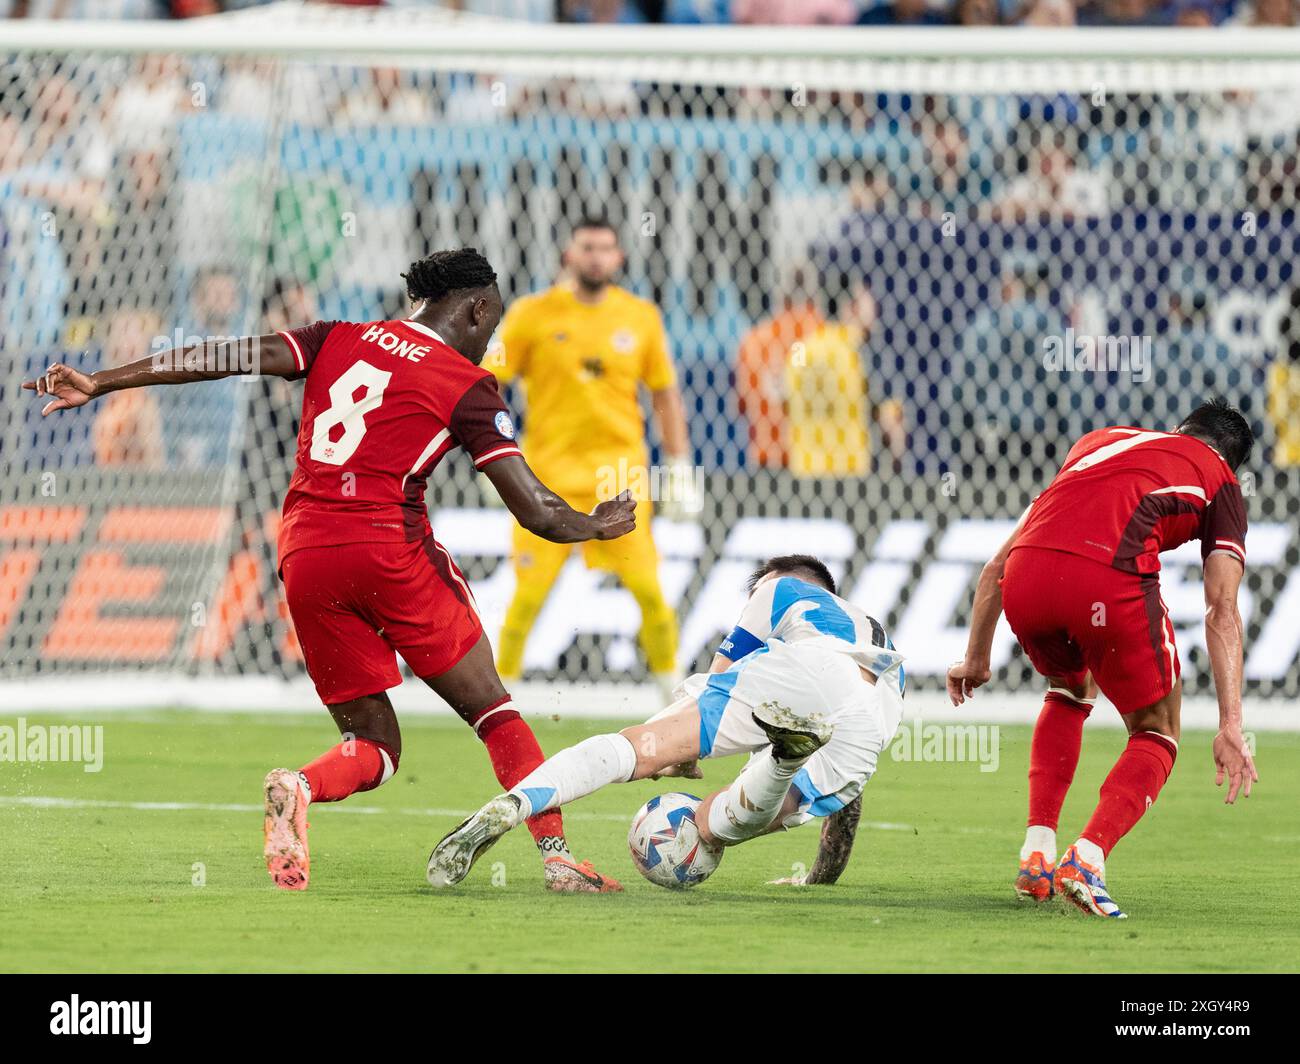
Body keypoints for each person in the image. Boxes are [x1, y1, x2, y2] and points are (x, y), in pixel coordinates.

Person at [24, 247, 637, 894]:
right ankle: (557, 858)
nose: (490, 341)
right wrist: (593, 524)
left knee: (374, 744)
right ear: (478, 308)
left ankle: (302, 785)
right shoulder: (467, 386)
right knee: (492, 712)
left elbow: (220, 356)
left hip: (306, 551)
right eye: (492, 324)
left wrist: (104, 380)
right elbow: (536, 512)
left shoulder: (335, 338)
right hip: (388, 549)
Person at [946, 400, 1259, 918]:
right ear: (1232, 459)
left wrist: (976, 656)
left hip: (1027, 578)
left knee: (1069, 687)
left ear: (1181, 429)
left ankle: (1038, 852)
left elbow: (995, 564)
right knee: (1158, 728)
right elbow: (1221, 610)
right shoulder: (1221, 479)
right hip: (1106, 579)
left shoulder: (1098, 441)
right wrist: (1231, 723)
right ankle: (1086, 860)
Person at [426, 554, 906, 890]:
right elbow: (848, 808)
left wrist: (673, 749)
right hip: (873, 715)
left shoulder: (781, 587)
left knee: (633, 747)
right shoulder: (873, 635)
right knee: (714, 827)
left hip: (801, 669)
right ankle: (784, 759)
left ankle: (512, 804)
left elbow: (716, 682)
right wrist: (817, 879)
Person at [490, 216, 693, 701]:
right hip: (547, 478)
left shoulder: (640, 316)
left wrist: (680, 467)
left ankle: (677, 699)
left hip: (618, 478)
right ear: (569, 254)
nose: (596, 256)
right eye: (587, 247)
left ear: (619, 257)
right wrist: (493, 452)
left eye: (605, 248)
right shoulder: (530, 314)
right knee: (527, 598)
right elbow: (487, 384)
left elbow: (665, 395)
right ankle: (496, 703)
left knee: (648, 590)